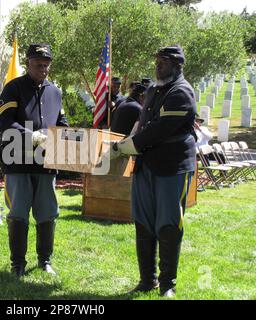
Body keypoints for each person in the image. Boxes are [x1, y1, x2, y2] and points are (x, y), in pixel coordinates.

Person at [108, 45, 197, 298]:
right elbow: (143, 124)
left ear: (178, 65)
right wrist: (129, 139)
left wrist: (129, 145)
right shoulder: (153, 90)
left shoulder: (182, 92)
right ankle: (148, 280)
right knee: (144, 222)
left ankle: (168, 284)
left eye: (164, 62)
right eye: (157, 60)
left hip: (172, 166)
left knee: (168, 224)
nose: (158, 65)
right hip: (146, 165)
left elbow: (160, 129)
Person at [0, 43, 68, 277]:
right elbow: (3, 122)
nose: (43, 69)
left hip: (46, 164)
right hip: (17, 161)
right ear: (28, 63)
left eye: (47, 65)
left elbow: (62, 124)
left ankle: (45, 261)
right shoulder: (13, 88)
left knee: (47, 213)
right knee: (18, 213)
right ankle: (17, 264)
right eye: (38, 64)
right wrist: (31, 135)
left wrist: (68, 138)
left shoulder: (55, 92)